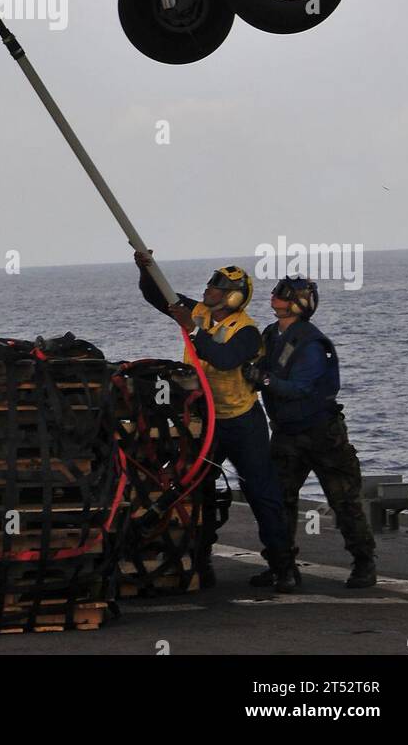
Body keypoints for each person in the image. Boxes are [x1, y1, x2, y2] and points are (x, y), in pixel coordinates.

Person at [136, 252, 297, 591]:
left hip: (242, 423)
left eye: (217, 286)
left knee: (261, 493)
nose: (209, 289)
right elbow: (157, 295)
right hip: (207, 421)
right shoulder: (199, 313)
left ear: (235, 296)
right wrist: (145, 269)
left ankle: (283, 566)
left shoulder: (247, 331)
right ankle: (200, 562)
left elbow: (223, 359)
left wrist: (193, 330)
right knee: (197, 488)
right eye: (211, 284)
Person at [248, 277, 377, 590]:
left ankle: (364, 563)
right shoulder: (271, 334)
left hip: (322, 434)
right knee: (278, 501)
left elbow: (300, 389)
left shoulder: (312, 344)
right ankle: (282, 565)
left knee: (344, 500)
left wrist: (262, 380)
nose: (274, 297)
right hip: (286, 433)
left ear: (298, 303)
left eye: (282, 294)